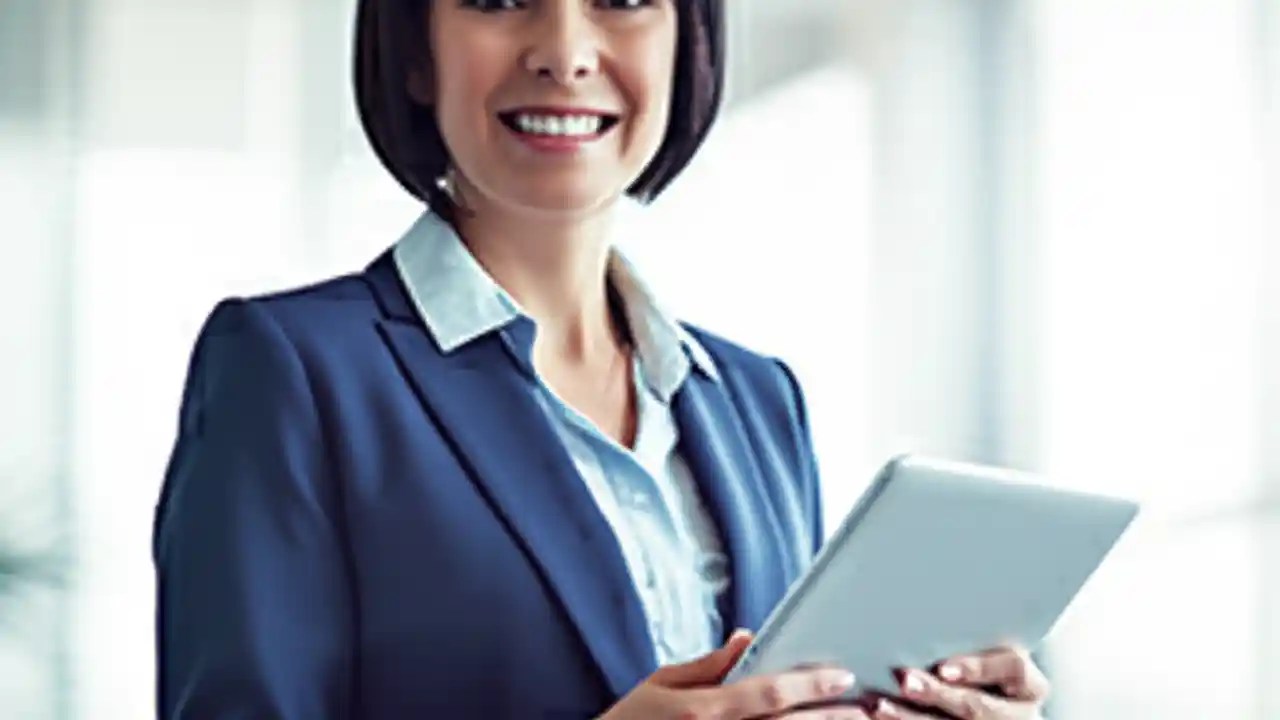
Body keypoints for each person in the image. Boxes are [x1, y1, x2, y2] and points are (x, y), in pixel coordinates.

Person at [152, 0, 1052, 718]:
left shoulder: (755, 399)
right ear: (416, 52)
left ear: (683, 42)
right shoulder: (294, 372)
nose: (565, 50)